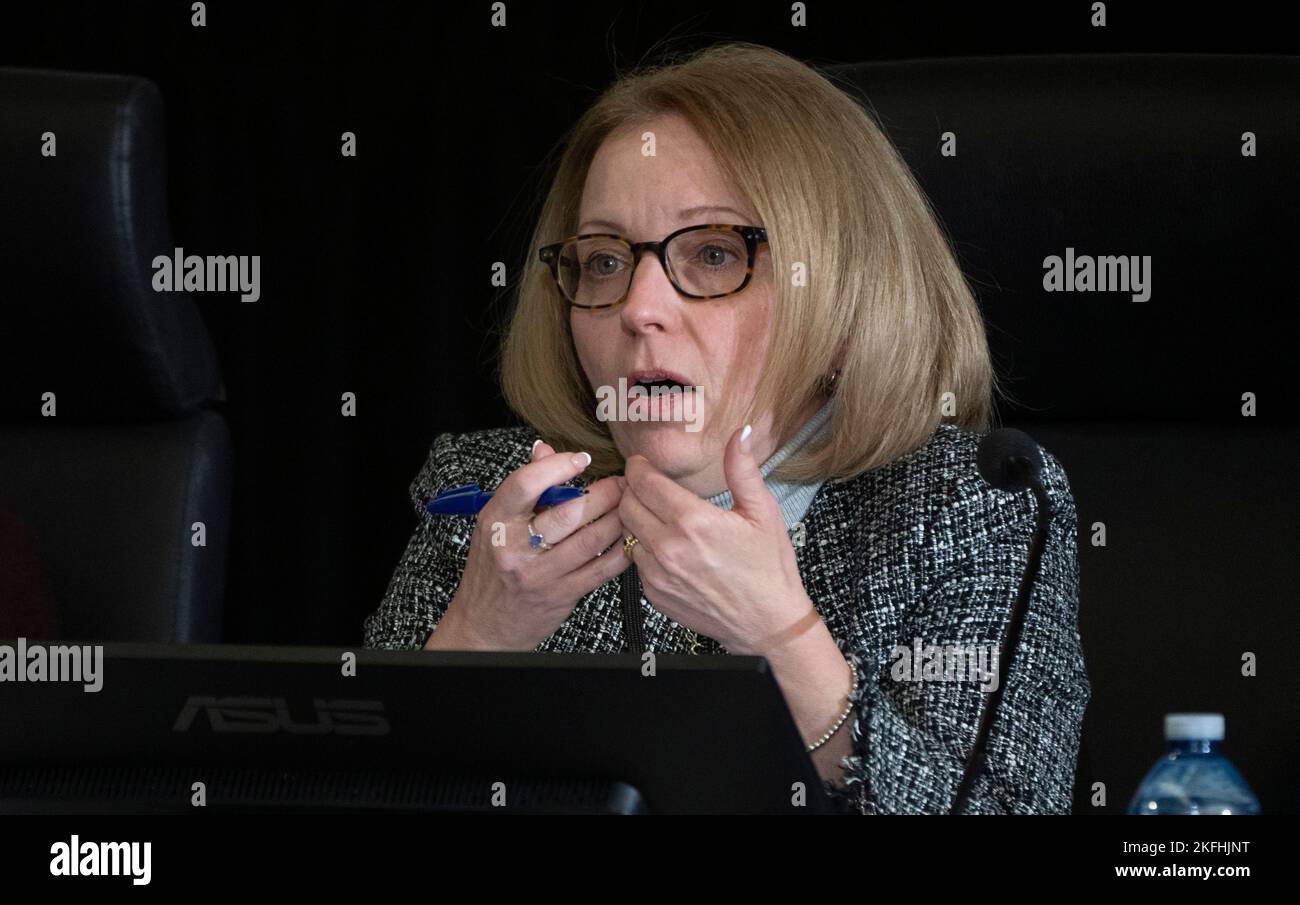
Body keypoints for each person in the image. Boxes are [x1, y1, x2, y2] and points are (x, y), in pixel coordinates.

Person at [362, 41, 1090, 815]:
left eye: (712, 253)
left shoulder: (969, 509)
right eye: (605, 261)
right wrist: (477, 637)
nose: (640, 308)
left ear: (842, 302)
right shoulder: (486, 501)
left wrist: (782, 640)